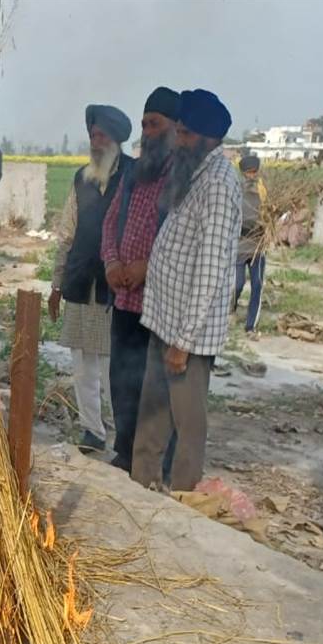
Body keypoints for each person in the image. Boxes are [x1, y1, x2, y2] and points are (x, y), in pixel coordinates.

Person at [132, 89, 241, 492]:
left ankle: (184, 505)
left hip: (187, 338)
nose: (179, 140)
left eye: (186, 134)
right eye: (179, 132)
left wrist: (183, 341)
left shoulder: (219, 184)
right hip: (166, 322)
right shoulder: (192, 172)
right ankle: (139, 489)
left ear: (209, 139)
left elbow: (211, 270)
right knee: (152, 416)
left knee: (187, 425)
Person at [100, 87, 179, 473]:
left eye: (155, 124)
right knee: (122, 378)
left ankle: (157, 464)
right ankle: (125, 450)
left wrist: (147, 267)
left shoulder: (182, 176)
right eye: (145, 123)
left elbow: (181, 239)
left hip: (160, 304)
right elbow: (111, 221)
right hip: (125, 299)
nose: (147, 131)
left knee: (156, 387)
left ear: (175, 128)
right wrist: (113, 265)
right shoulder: (134, 173)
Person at [49, 105, 134, 454]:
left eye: (102, 136)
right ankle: (93, 433)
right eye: (92, 135)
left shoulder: (134, 176)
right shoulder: (81, 178)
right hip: (81, 282)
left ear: (116, 140)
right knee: (83, 366)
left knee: (115, 368)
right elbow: (67, 233)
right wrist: (55, 285)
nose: (95, 142)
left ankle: (126, 440)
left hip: (120, 288)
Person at [234, 154, 268, 334]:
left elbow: (270, 213)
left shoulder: (264, 190)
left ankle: (250, 326)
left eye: (255, 172)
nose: (252, 176)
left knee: (257, 284)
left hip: (258, 246)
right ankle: (231, 308)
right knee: (237, 284)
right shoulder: (236, 189)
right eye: (249, 173)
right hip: (239, 245)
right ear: (243, 173)